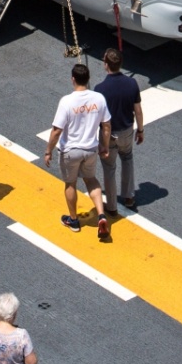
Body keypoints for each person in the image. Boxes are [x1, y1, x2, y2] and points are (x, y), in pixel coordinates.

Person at [45, 61, 112, 241]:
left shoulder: (66, 101)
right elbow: (106, 126)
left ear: (72, 79)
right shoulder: (99, 99)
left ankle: (73, 220)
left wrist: (48, 151)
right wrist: (104, 146)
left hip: (70, 151)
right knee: (91, 180)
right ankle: (101, 215)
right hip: (90, 149)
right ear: (88, 79)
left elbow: (57, 130)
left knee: (70, 184)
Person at [95, 49, 144, 211]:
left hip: (108, 134)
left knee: (109, 168)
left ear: (106, 65)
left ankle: (112, 206)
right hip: (127, 130)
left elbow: (97, 118)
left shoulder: (100, 89)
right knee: (127, 158)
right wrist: (141, 130)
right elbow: (137, 110)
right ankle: (129, 196)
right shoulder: (132, 83)